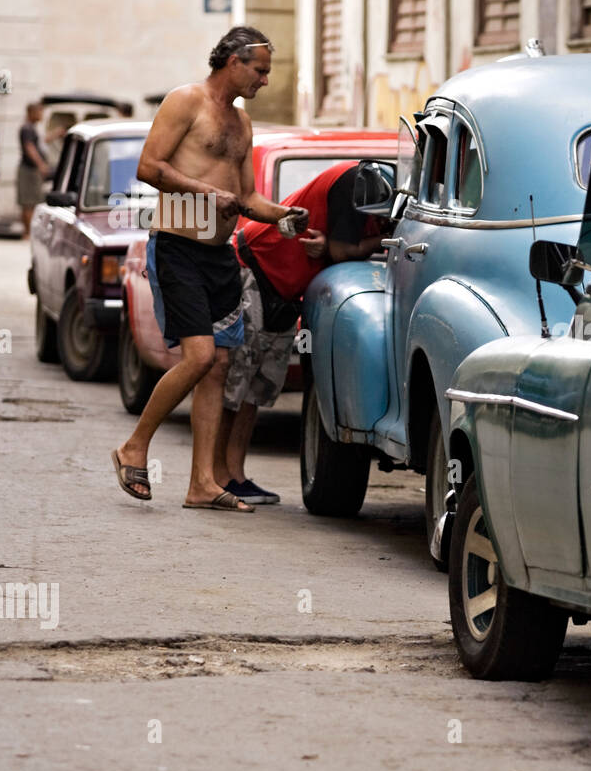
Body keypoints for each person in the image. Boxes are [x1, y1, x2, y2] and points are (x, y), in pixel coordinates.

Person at [110, 26, 308, 512]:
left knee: (219, 365)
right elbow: (148, 167)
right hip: (178, 248)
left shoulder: (242, 125)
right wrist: (204, 193)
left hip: (221, 256)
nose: (264, 81)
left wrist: (284, 216)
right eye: (260, 70)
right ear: (233, 61)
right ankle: (133, 446)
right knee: (199, 358)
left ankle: (201, 483)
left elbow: (248, 198)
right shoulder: (186, 101)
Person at [213, 160, 390, 504]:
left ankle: (235, 475)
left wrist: (337, 247)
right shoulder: (353, 184)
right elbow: (341, 251)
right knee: (235, 383)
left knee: (256, 389)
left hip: (284, 293)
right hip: (255, 269)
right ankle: (215, 476)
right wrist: (378, 240)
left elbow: (333, 249)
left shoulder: (373, 196)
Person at [17, 102, 58, 238]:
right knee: (29, 201)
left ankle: (28, 232)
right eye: (40, 112)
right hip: (29, 170)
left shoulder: (32, 129)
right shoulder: (27, 128)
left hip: (32, 170)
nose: (42, 115)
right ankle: (28, 233)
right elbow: (30, 148)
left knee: (32, 201)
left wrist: (56, 134)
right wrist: (41, 165)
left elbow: (40, 142)